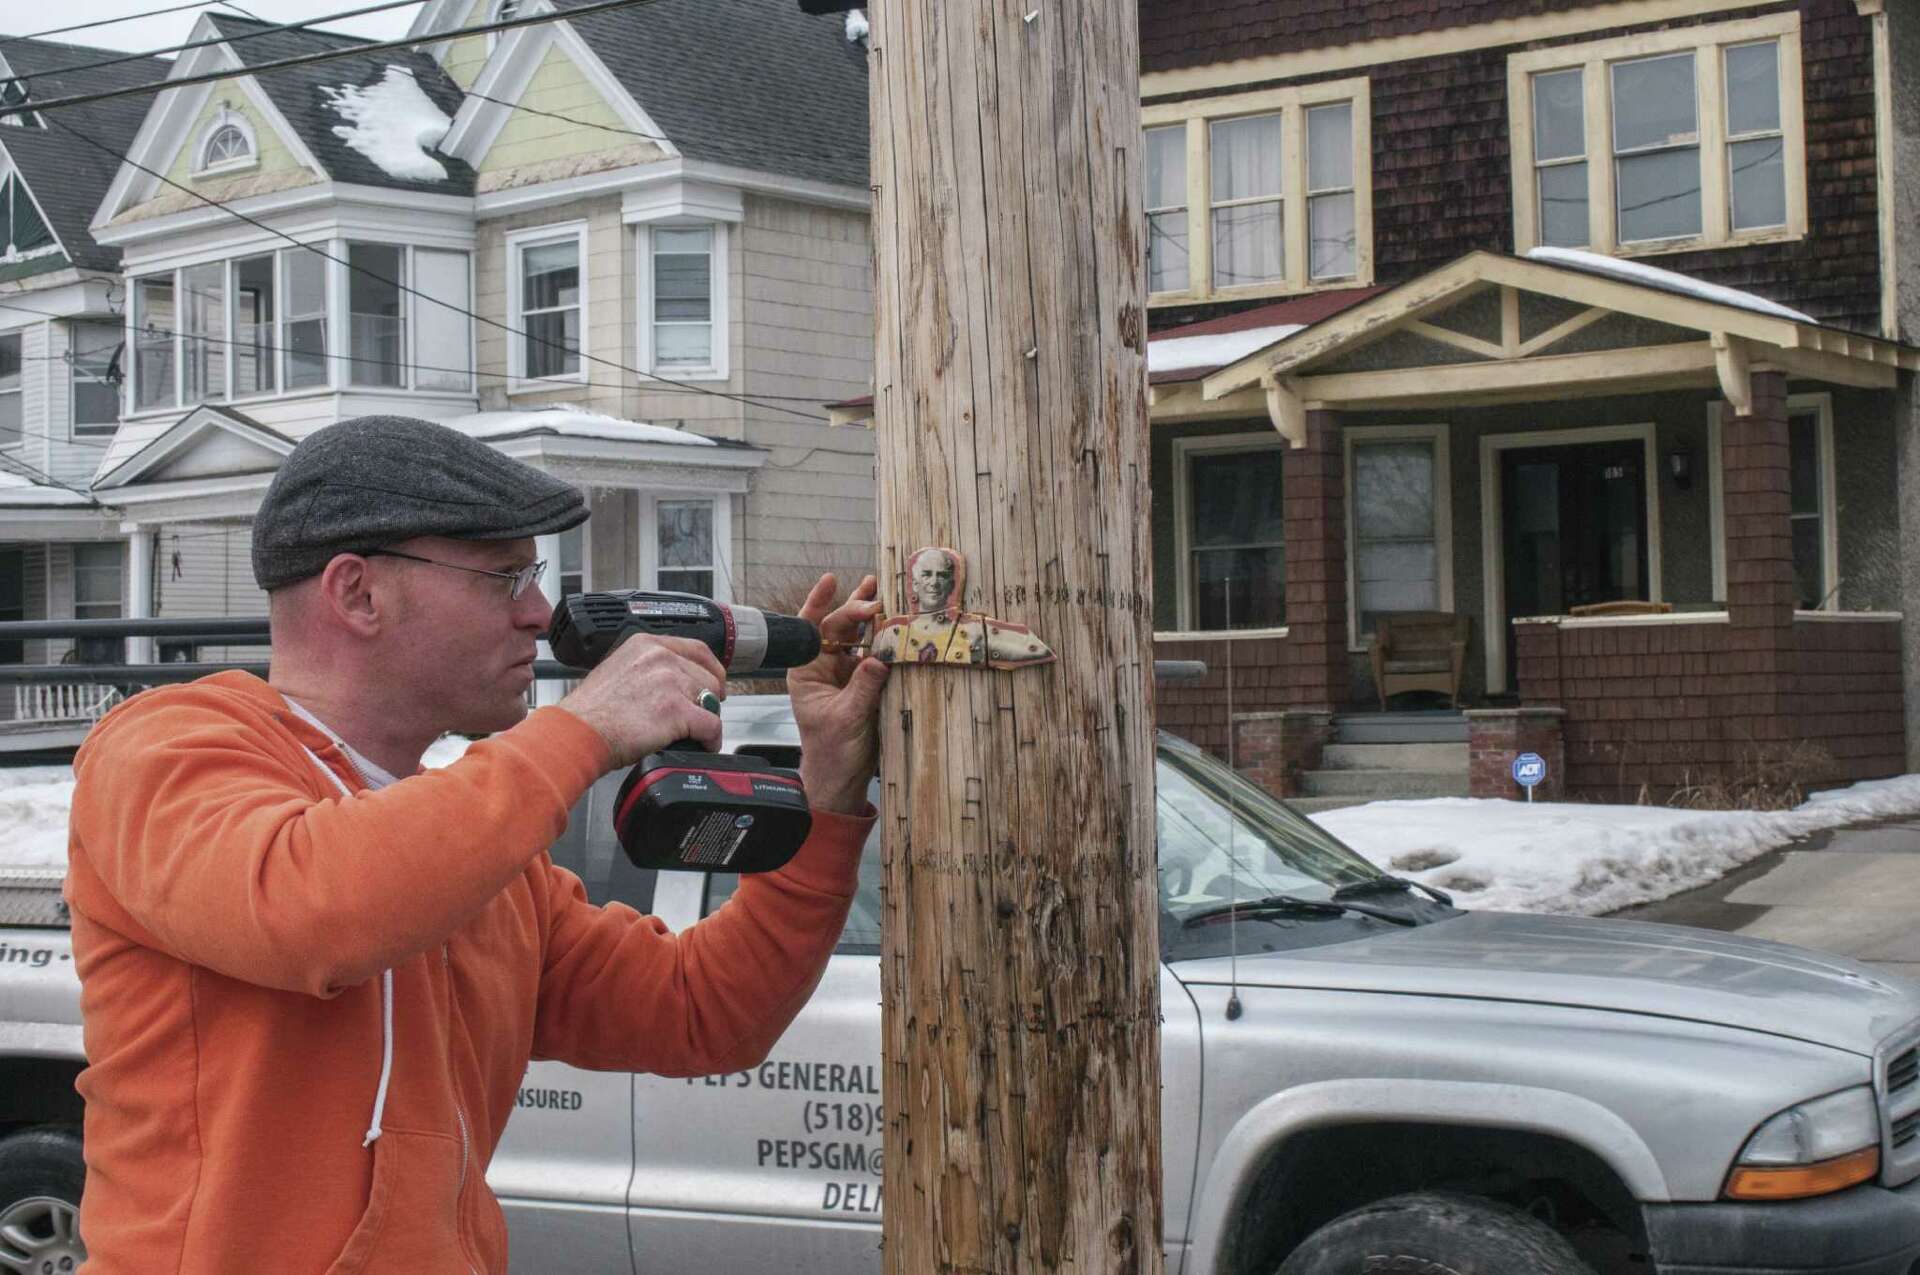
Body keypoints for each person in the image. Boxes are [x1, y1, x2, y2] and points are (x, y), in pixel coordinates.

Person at [62, 415, 889, 1274]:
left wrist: (827, 792)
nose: (539, 614)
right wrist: (583, 729)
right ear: (356, 594)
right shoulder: (164, 749)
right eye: (503, 577)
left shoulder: (479, 849)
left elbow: (703, 1011)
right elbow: (312, 908)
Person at [869, 545, 1054, 669]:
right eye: (926, 574)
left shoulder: (976, 632)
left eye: (941, 575)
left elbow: (1030, 648)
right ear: (914, 584)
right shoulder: (891, 635)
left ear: (951, 584)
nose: (934, 582)